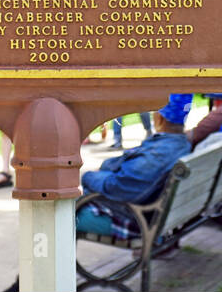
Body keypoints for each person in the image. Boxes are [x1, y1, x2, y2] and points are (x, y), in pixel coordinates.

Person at [77, 95, 194, 237]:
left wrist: (88, 177)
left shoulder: (157, 155)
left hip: (135, 220)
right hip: (153, 213)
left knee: (64, 214)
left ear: (159, 118)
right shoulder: (180, 145)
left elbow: (116, 188)